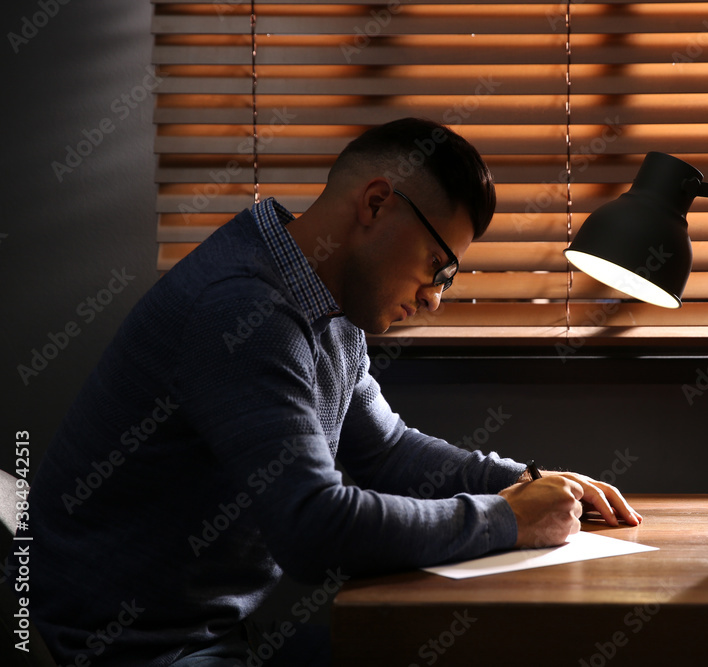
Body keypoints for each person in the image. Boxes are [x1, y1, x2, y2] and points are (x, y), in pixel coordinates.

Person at [18, 117, 641, 666]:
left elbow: (384, 449)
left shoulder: (323, 300)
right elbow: (312, 529)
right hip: (135, 651)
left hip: (218, 635)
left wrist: (529, 481)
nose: (435, 297)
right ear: (376, 204)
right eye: (437, 264)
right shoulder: (243, 310)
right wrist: (506, 518)